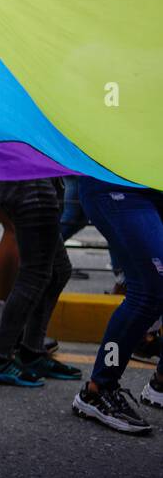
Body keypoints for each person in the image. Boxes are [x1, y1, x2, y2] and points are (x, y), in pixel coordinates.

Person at [72, 179, 163, 434]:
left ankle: (161, 383)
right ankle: (98, 388)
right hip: (117, 183)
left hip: (153, 178)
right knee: (148, 289)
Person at [0, 179, 81, 386]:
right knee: (36, 273)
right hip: (30, 184)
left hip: (36, 183)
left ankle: (31, 352)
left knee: (58, 271)